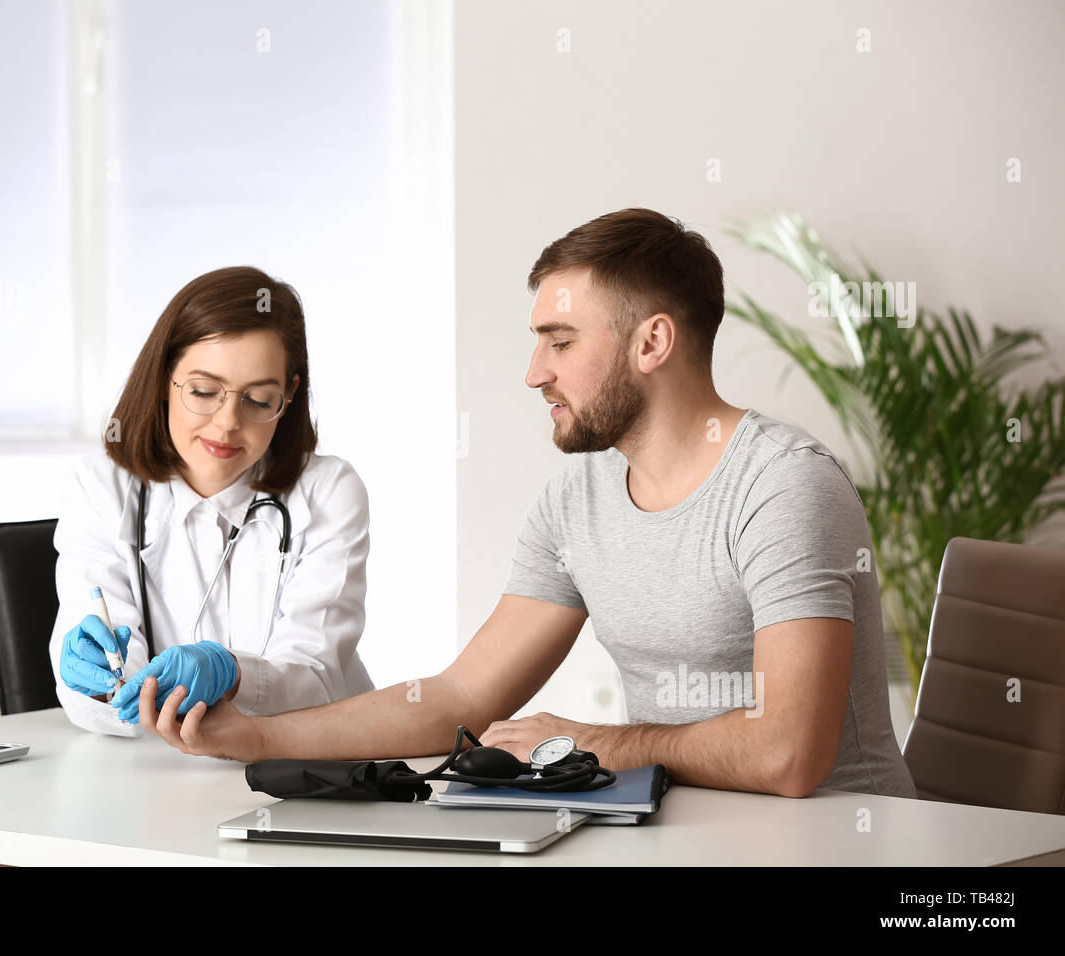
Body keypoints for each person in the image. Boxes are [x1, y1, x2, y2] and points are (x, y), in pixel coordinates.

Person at [129, 210, 916, 800]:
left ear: (652, 344)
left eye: (561, 340)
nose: (534, 371)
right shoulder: (577, 500)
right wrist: (256, 735)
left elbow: (789, 753)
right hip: (683, 833)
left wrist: (588, 742)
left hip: (836, 840)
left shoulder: (783, 486)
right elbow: (457, 700)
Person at [48, 266, 373, 737]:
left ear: (289, 395)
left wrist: (234, 675)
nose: (226, 424)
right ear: (164, 379)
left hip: (307, 768)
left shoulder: (328, 491)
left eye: (259, 400)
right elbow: (107, 683)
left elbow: (316, 677)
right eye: (203, 392)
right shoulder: (101, 486)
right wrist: (102, 683)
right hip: (157, 777)